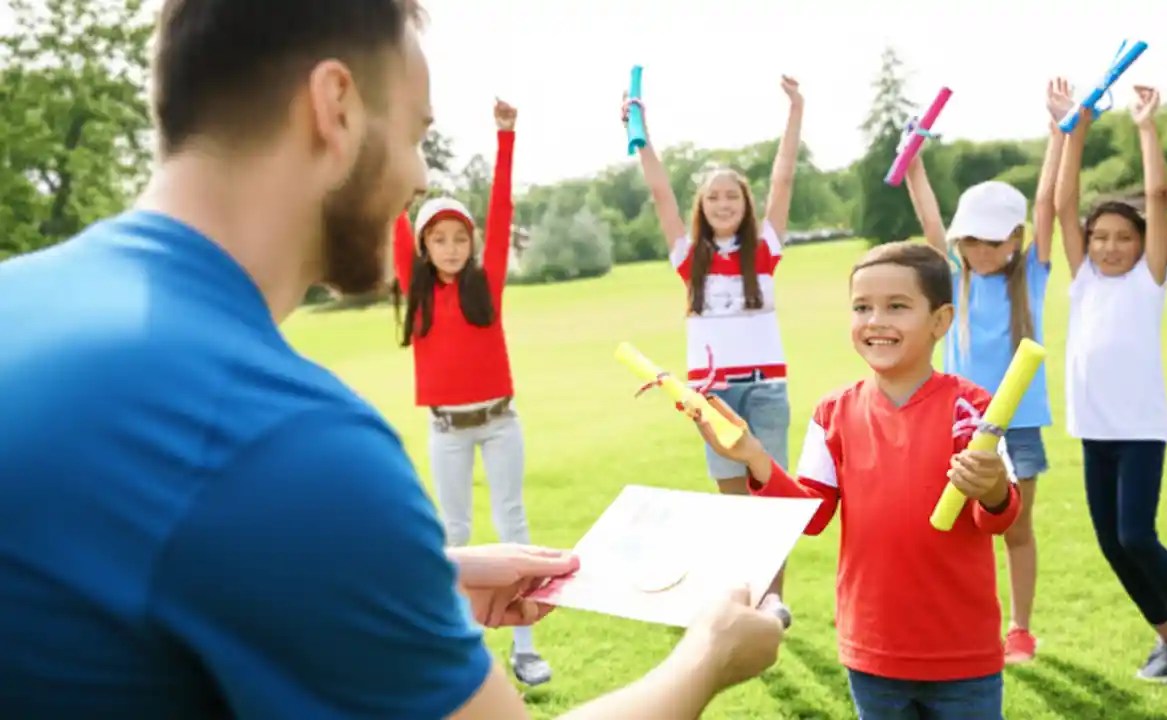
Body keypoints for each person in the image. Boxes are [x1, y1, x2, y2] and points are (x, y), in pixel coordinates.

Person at [0, 2, 786, 717]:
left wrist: (428, 570)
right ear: (334, 108)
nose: (416, 175)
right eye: (415, 132)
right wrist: (707, 655)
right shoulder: (288, 440)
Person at [692, 241, 1022, 719]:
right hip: (873, 650)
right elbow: (811, 516)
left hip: (961, 652)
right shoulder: (833, 414)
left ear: (940, 321)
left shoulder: (971, 408)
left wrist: (991, 487)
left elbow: (998, 517)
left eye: (897, 307)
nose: (876, 321)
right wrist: (752, 455)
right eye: (862, 307)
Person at [1054, 86, 1167, 683]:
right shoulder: (1083, 280)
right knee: (1111, 544)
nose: (1108, 246)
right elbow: (1062, 201)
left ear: (1144, 245)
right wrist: (1073, 130)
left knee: (1136, 534)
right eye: (1099, 236)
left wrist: (1145, 127)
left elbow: (1157, 195)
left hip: (1139, 428)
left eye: (1122, 238)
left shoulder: (1148, 280)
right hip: (1092, 428)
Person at [899, 77, 1075, 664]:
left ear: (1016, 240)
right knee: (950, 528)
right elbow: (928, 225)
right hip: (962, 426)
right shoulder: (954, 279)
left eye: (989, 242)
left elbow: (1049, 202)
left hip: (1018, 427)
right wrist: (916, 163)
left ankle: (1020, 630)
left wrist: (1058, 132)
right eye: (968, 241)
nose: (977, 251)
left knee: (1015, 530)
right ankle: (953, 623)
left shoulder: (1035, 275)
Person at [624, 75, 804, 611]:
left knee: (769, 502)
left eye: (733, 195)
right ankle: (746, 598)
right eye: (713, 196)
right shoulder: (688, 257)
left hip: (766, 389)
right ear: (703, 206)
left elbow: (785, 176)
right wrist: (642, 129)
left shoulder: (767, 247)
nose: (724, 202)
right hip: (715, 396)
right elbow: (659, 190)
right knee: (733, 505)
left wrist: (796, 110)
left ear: (747, 205)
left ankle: (773, 601)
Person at [391, 99, 550, 686]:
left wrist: (505, 137)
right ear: (425, 248)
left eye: (461, 237)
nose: (452, 247)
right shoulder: (419, 291)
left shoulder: (488, 284)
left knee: (514, 528)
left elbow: (503, 211)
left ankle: (527, 648)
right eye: (441, 239)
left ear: (472, 243)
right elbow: (395, 216)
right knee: (453, 535)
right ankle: (459, 651)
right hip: (447, 432)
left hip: (499, 422)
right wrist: (396, 145)